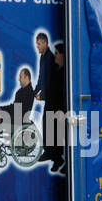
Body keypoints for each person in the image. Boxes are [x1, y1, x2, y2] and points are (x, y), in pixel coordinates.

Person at [43, 42, 67, 172]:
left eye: (57, 54)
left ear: (63, 55)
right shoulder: (56, 71)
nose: (55, 56)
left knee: (62, 137)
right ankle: (57, 159)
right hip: (52, 108)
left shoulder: (66, 74)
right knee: (53, 135)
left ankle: (66, 163)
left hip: (60, 110)